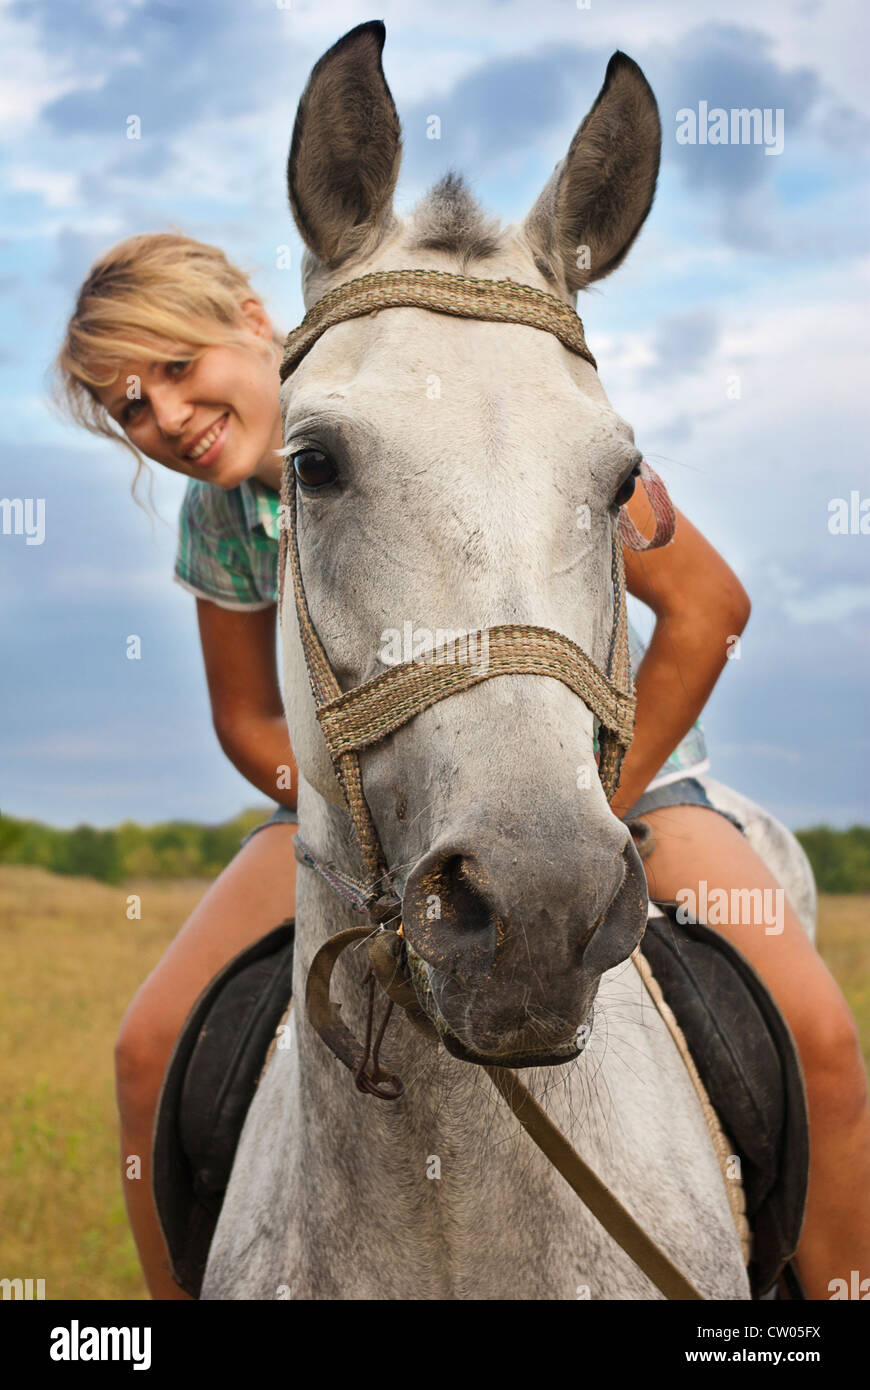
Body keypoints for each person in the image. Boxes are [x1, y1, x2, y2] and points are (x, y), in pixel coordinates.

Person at [55, 232, 870, 1301]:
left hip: (623, 781)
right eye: (129, 407)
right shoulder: (220, 521)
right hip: (361, 815)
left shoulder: (481, 404)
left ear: (251, 318)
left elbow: (709, 607)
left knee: (822, 1039)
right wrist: (352, 823)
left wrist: (596, 799)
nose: (163, 414)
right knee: (146, 1045)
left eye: (175, 367)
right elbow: (249, 719)